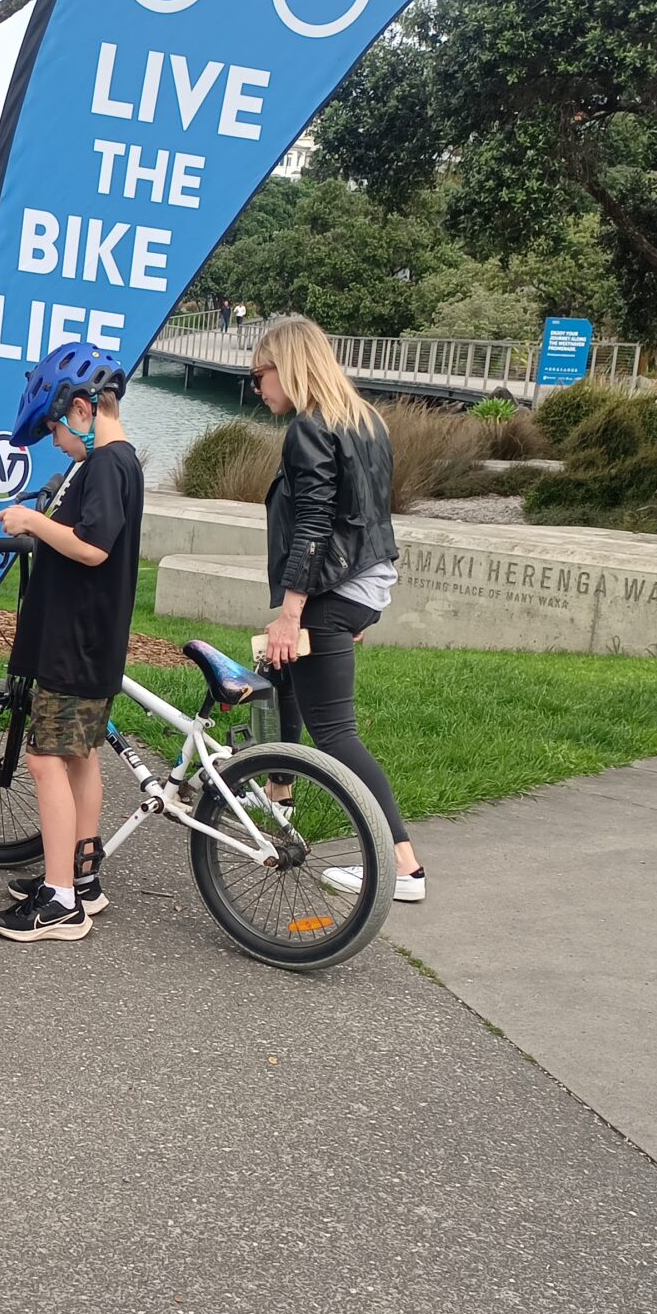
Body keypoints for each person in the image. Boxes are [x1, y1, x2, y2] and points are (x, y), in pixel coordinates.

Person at [250, 311, 424, 902]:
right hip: (364, 583)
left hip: (330, 591)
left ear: (288, 367)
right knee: (280, 678)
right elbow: (369, 512)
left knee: (337, 734)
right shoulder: (364, 419)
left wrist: (292, 612)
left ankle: (403, 865)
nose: (257, 386)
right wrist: (357, 610)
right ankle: (279, 795)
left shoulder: (308, 428)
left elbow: (315, 524)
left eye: (261, 373)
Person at [0, 342, 142, 945]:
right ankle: (81, 876)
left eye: (54, 428)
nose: (54, 441)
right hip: (92, 641)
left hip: (76, 644)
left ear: (81, 408)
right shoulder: (119, 461)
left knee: (46, 759)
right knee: (79, 757)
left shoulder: (104, 465)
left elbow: (93, 546)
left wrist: (31, 521)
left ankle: (59, 902)